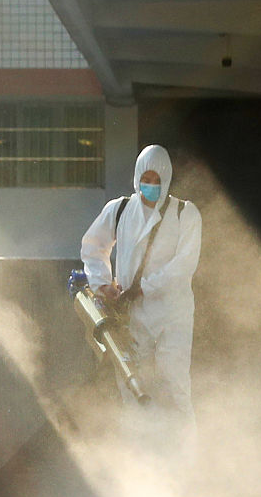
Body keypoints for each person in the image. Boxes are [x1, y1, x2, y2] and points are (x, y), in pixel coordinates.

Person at [80, 144, 202, 445]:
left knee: (176, 383)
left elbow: (183, 266)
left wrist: (143, 288)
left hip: (173, 313)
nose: (151, 186)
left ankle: (187, 456)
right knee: (132, 383)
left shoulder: (185, 214)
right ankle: (143, 456)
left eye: (157, 179)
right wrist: (102, 284)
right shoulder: (119, 210)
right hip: (132, 315)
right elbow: (93, 247)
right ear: (136, 178)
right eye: (146, 178)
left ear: (168, 179)